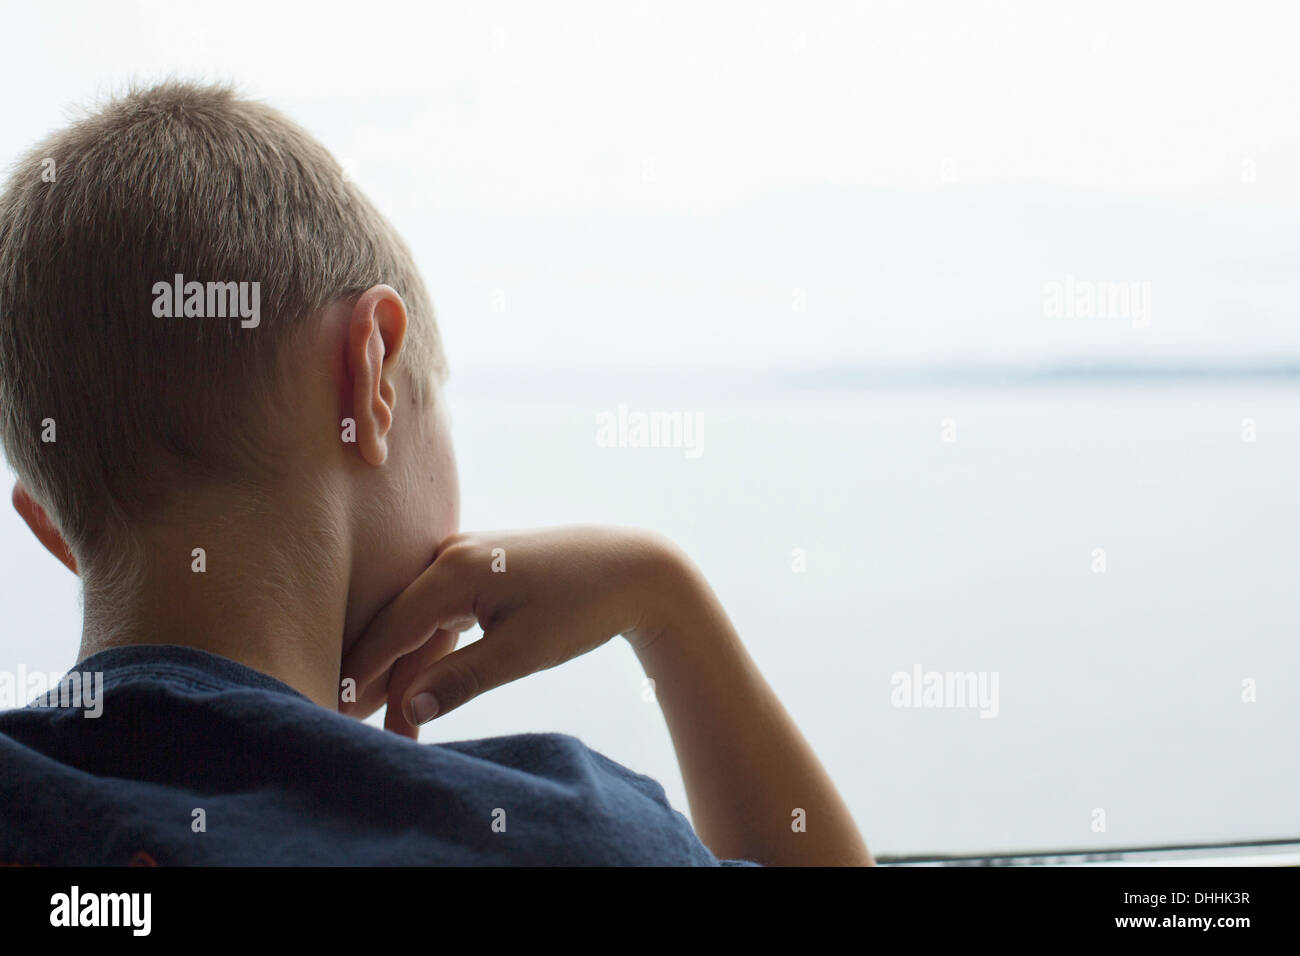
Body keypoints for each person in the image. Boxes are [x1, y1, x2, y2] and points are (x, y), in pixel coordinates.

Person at [0, 81, 870, 866]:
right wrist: (665, 600)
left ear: (48, 521)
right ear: (372, 376)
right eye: (432, 397)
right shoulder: (560, 833)